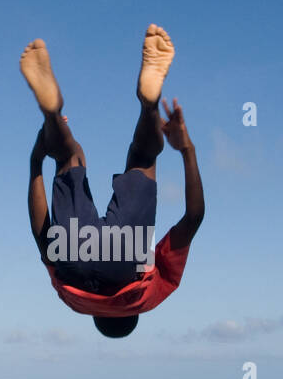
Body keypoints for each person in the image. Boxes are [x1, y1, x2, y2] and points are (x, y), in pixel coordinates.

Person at [22, 25, 204, 338]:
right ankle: (52, 115)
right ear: (95, 316)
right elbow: (42, 234)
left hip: (126, 260)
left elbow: (193, 218)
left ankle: (149, 104)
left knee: (142, 160)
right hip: (73, 257)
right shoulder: (73, 301)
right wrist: (36, 163)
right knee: (69, 157)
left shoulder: (150, 297)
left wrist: (186, 149)